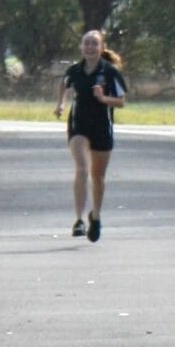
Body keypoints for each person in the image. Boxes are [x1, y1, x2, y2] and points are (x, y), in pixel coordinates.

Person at [53, 29, 128, 241]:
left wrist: (104, 98)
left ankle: (95, 215)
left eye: (94, 43)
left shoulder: (110, 72)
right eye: (86, 43)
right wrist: (61, 104)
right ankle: (79, 220)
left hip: (102, 127)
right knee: (82, 169)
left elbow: (122, 101)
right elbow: (64, 85)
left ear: (102, 47)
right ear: (81, 47)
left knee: (98, 176)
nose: (90, 47)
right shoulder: (74, 70)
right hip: (79, 124)